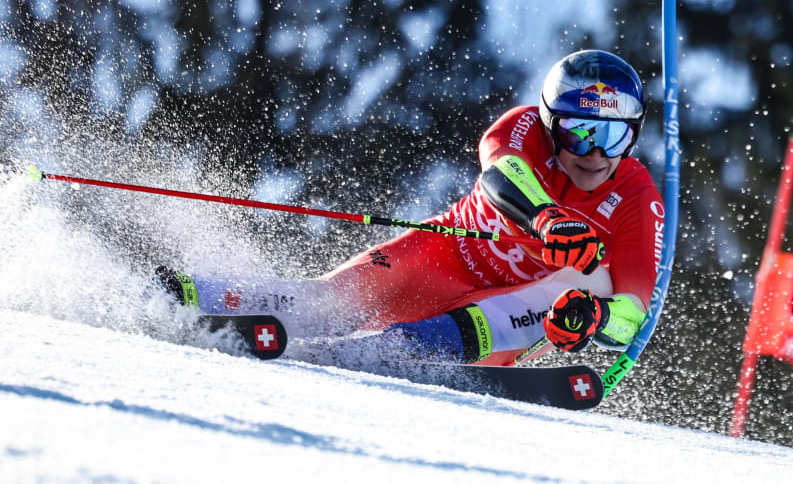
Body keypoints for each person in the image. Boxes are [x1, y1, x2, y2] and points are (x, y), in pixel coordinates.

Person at [157, 49, 665, 367]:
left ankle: (375, 354)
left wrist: (590, 318)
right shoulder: (524, 125)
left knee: (593, 278)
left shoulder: (638, 198)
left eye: (614, 136)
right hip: (444, 255)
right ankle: (179, 294)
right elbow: (500, 175)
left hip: (502, 315)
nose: (596, 153)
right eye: (580, 132)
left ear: (634, 134)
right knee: (327, 302)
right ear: (551, 123)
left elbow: (633, 314)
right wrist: (546, 217)